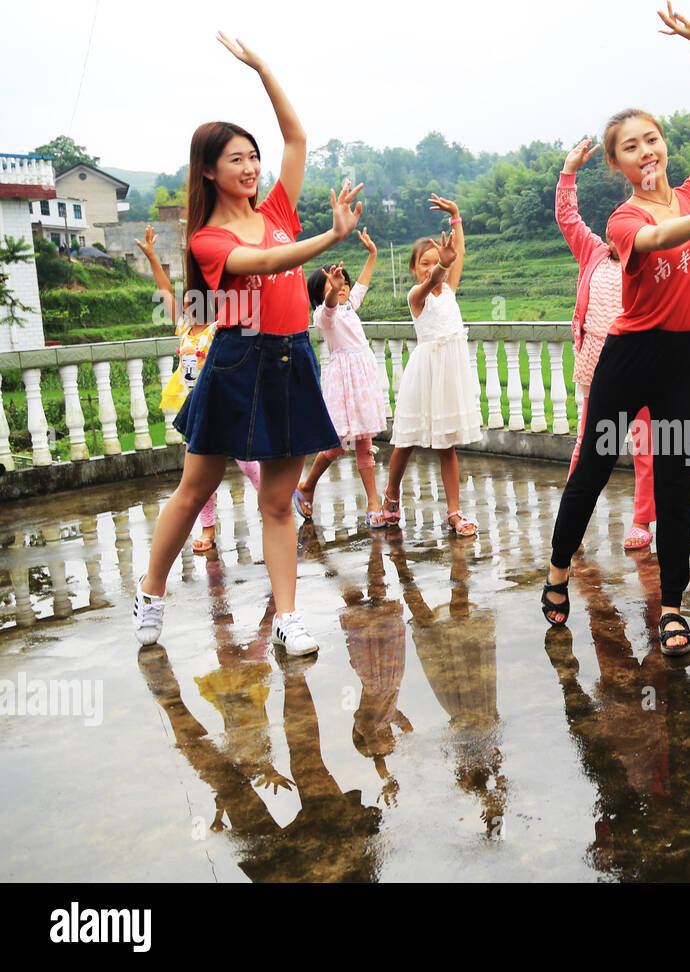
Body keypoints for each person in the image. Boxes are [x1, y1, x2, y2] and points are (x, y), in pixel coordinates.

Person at [132, 32, 363, 656]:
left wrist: (262, 68)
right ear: (209, 170)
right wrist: (329, 238)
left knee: (278, 502)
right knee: (195, 489)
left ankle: (287, 617)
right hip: (237, 363)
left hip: (291, 359)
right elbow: (262, 261)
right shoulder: (208, 238)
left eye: (253, 157)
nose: (251, 167)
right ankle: (151, 591)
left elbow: (297, 138)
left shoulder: (278, 209)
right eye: (237, 159)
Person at [543, 3, 690, 656]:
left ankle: (671, 606)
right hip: (630, 357)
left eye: (652, 139)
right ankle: (557, 570)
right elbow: (659, 240)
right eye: (631, 146)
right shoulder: (624, 220)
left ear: (664, 143)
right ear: (617, 163)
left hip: (684, 361)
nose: (646, 151)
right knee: (593, 466)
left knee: (672, 482)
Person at [556, 138, 657, 551]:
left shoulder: (648, 259)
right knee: (587, 444)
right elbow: (568, 219)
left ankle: (643, 520)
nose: (620, 233)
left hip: (639, 363)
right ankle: (573, 516)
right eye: (616, 226)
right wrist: (569, 172)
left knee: (645, 446)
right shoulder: (593, 253)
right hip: (594, 362)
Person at [137, 225, 262, 553]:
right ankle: (207, 528)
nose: (189, 305)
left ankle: (276, 505)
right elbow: (164, 290)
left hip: (222, 402)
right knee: (198, 475)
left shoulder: (219, 328)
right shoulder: (184, 328)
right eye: (187, 300)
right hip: (194, 409)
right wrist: (152, 257)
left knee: (247, 461)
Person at [382, 198, 483, 537]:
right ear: (414, 269)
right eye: (423, 263)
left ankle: (454, 511)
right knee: (406, 441)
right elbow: (432, 280)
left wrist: (456, 217)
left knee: (446, 445)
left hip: (448, 375)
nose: (430, 268)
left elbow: (459, 255)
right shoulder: (417, 295)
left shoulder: (449, 291)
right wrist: (441, 264)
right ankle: (391, 494)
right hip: (424, 374)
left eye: (434, 261)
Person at [293, 229, 387, 528]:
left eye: (344, 282)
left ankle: (373, 503)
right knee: (336, 444)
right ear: (321, 293)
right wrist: (332, 291)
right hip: (343, 383)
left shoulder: (350, 306)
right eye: (335, 284)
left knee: (364, 443)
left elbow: (363, 284)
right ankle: (307, 486)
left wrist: (372, 254)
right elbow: (331, 305)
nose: (343, 286)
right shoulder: (324, 315)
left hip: (362, 380)